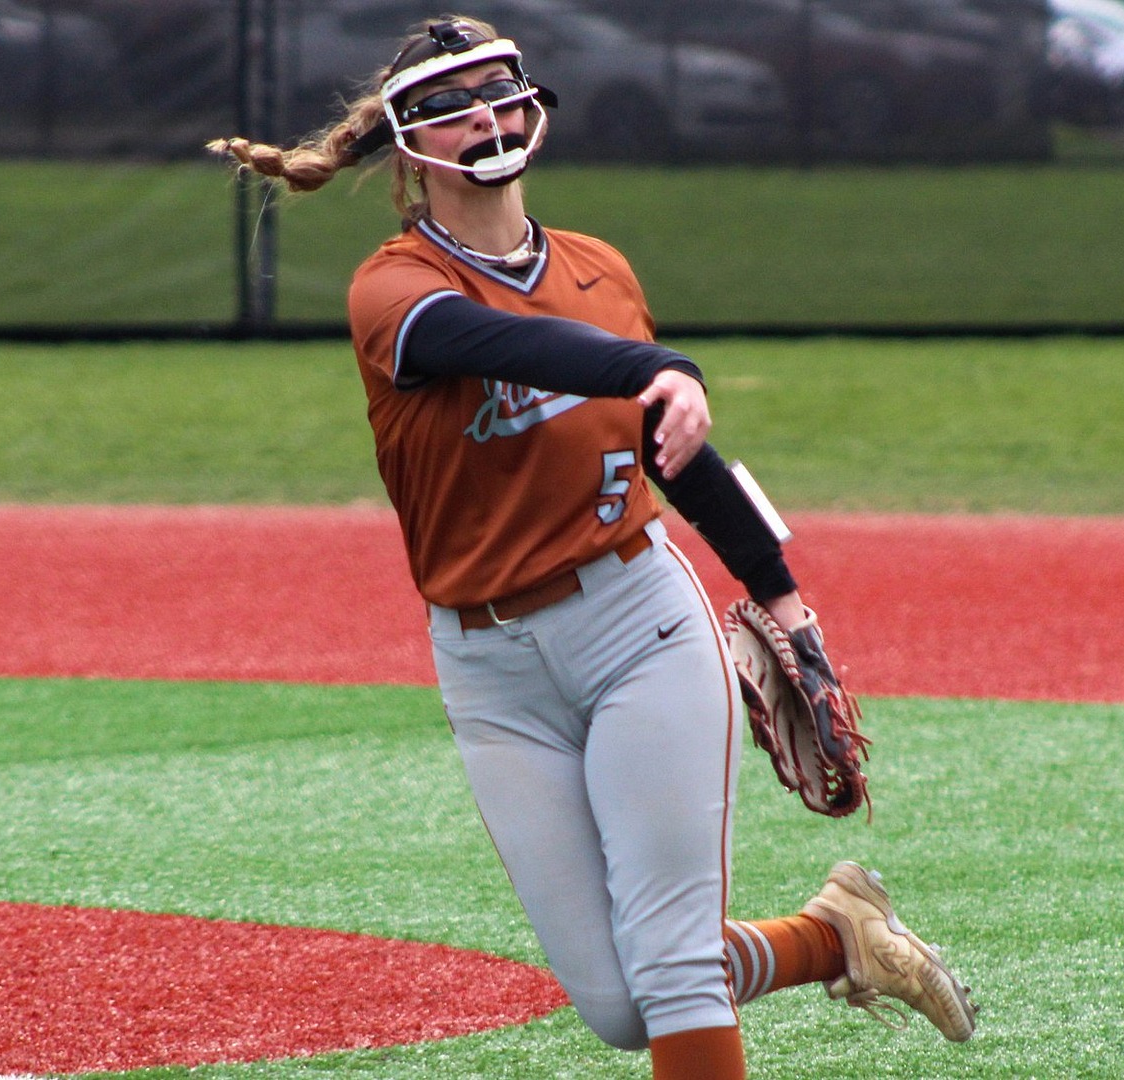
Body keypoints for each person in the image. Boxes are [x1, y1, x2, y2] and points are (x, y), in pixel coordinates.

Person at [212, 17, 978, 1078]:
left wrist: (782, 594)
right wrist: (655, 364)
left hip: (638, 625)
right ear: (407, 141)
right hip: (488, 670)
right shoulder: (391, 289)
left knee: (669, 970)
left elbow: (675, 454)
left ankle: (824, 940)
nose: (483, 114)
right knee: (622, 1004)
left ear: (532, 106)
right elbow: (496, 341)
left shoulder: (597, 269)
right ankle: (834, 937)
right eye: (450, 102)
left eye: (498, 91)